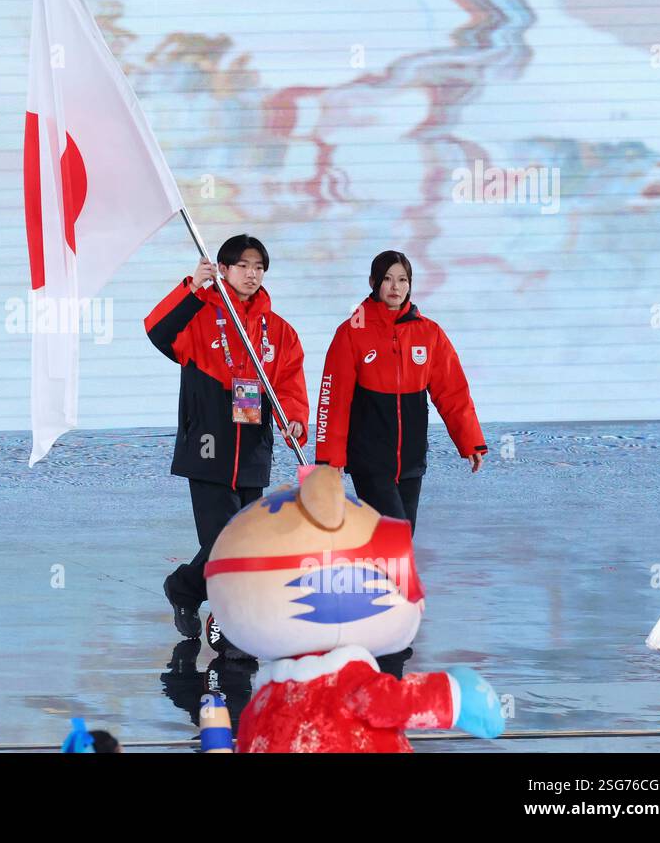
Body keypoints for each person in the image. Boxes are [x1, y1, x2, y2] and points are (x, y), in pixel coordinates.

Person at [145, 234, 309, 640]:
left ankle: (184, 588)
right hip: (208, 447)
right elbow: (157, 331)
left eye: (258, 268)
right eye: (242, 266)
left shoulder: (279, 330)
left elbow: (289, 385)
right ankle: (232, 625)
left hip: (253, 451)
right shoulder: (198, 317)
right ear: (223, 269)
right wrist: (192, 287)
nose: (251, 274)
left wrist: (296, 422)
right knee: (228, 544)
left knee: (243, 542)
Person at [315, 249, 486, 532]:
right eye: (387, 279)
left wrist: (470, 441)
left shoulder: (429, 333)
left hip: (411, 460)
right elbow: (334, 400)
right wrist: (330, 459)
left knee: (401, 535)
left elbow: (452, 391)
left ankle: (380, 577)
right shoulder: (351, 332)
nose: (395, 287)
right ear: (373, 282)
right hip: (369, 460)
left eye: (403, 280)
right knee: (392, 535)